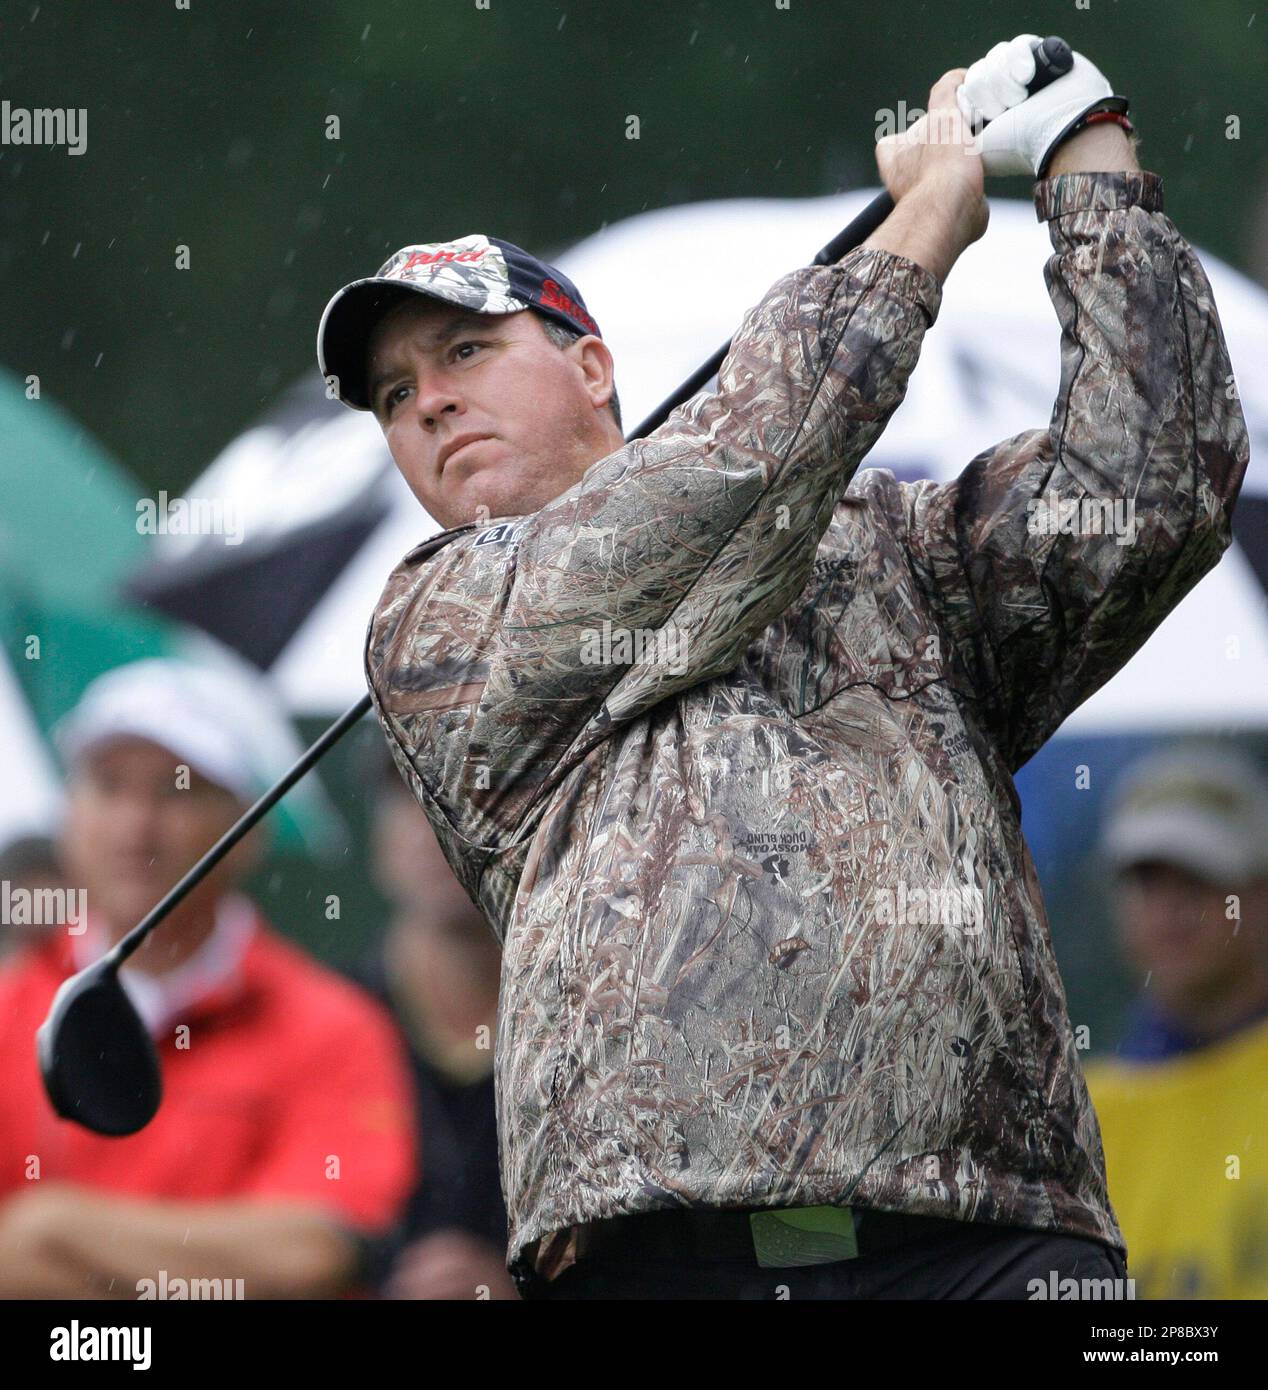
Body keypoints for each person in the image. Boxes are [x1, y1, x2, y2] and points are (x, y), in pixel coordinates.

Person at [318, 37, 1249, 1299]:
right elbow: (711, 491)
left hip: (984, 1226)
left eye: (465, 352)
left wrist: (1085, 164)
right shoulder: (434, 621)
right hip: (655, 1258)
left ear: (592, 366)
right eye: (390, 393)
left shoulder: (894, 542)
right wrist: (918, 228)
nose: (423, 402)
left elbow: (1148, 490)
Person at [0, 659, 417, 1298]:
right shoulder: (10, 1006)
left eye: (177, 790)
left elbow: (313, 1252)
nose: (136, 824)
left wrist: (51, 1227)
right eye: (108, 786)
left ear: (245, 832)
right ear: (69, 811)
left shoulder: (333, 1026)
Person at [1083, 747, 1268, 1300]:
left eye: (1198, 881)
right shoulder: (1077, 1114)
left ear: (1261, 895)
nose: (1170, 910)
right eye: (1147, 883)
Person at [350, 751, 517, 1299]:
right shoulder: (327, 1018)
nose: (434, 823)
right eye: (407, 795)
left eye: (470, 795)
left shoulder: (595, 1024)